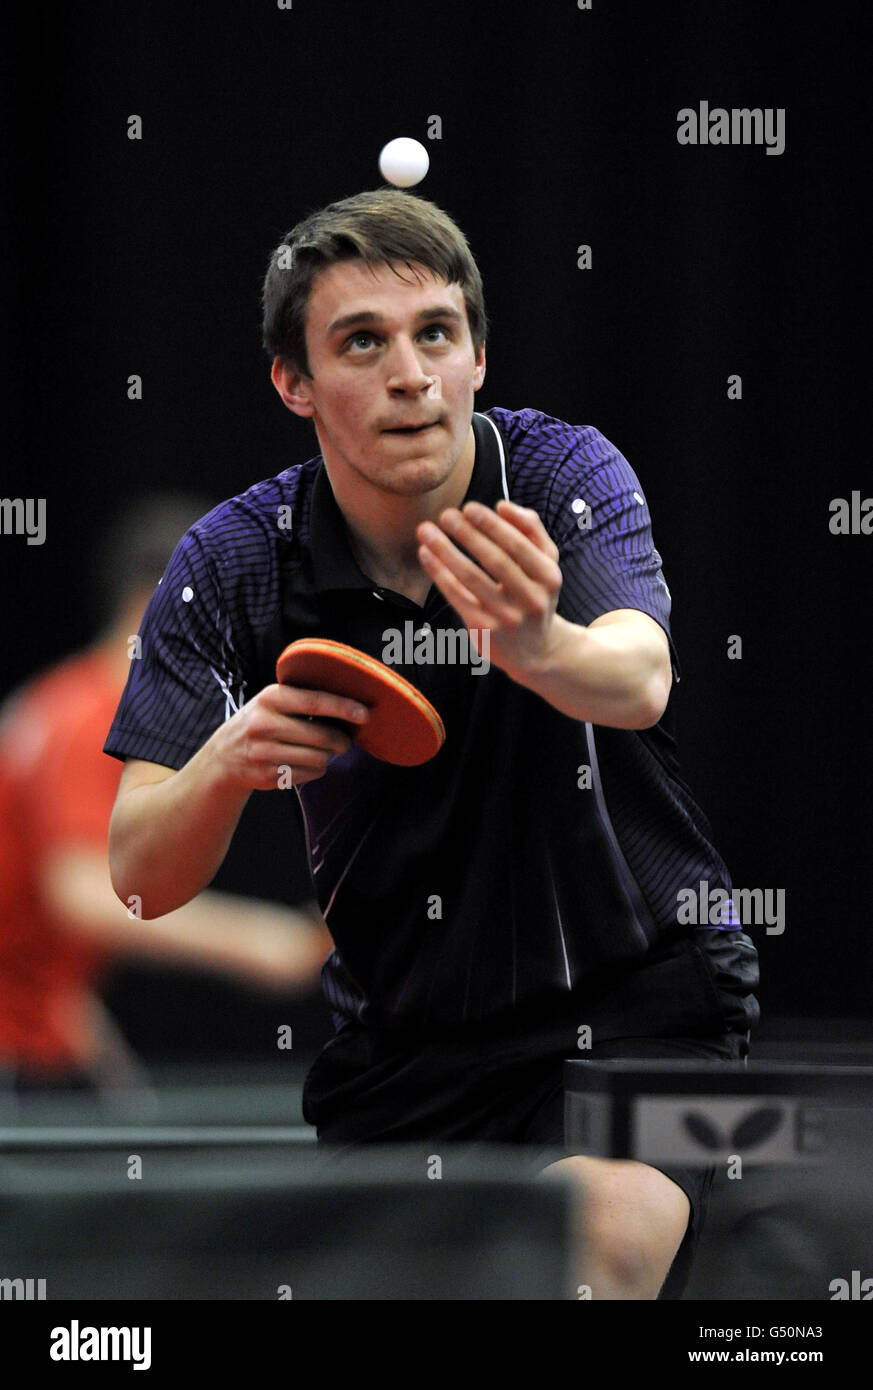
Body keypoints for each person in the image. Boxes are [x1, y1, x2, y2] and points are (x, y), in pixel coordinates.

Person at [104, 189, 759, 1298]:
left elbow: (638, 679)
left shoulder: (560, 478)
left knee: (589, 1243)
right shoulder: (231, 564)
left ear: (477, 355)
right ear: (293, 382)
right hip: (404, 1052)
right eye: (362, 342)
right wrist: (228, 760)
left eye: (435, 335)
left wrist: (537, 642)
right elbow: (136, 877)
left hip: (644, 1009)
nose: (409, 374)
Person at [0, 494, 332, 1096]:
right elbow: (79, 893)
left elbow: (27, 925)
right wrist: (255, 941)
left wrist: (87, 1040)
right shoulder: (88, 717)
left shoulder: (57, 704)